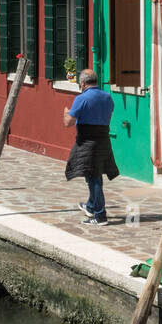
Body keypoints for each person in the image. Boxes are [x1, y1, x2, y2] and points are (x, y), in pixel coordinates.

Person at [63, 68, 119, 226]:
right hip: (103, 140)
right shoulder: (108, 97)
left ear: (82, 83)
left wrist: (65, 112)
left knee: (94, 178)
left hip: (88, 141)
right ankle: (91, 206)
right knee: (92, 174)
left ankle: (100, 215)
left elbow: (68, 122)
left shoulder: (81, 99)